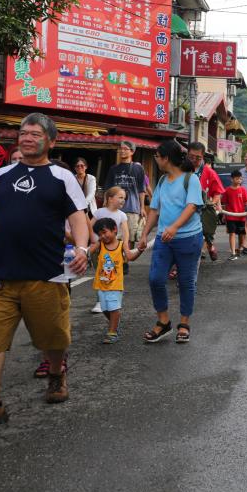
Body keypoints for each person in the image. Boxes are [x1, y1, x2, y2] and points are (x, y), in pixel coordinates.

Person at [0, 113, 89, 434]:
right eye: (23, 132)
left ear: (51, 141)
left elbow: (78, 218)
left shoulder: (61, 177)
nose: (26, 138)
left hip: (46, 274)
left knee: (53, 336)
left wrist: (82, 248)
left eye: (35, 134)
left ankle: (56, 373)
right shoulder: (1, 176)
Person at [139, 140, 204, 344]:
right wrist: (144, 234)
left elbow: (192, 206)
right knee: (156, 279)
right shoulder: (161, 181)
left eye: (157, 156)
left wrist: (175, 227)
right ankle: (164, 321)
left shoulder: (191, 179)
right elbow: (154, 210)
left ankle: (184, 324)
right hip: (163, 239)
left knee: (186, 281)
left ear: (166, 158)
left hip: (189, 238)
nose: (156, 160)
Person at [89, 216, 142, 344]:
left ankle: (112, 332)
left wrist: (140, 250)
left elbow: (130, 257)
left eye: (104, 232)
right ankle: (115, 322)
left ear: (114, 230)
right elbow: (88, 252)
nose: (103, 236)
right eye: (99, 234)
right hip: (101, 284)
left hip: (115, 284)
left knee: (113, 309)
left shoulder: (121, 245)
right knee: (105, 309)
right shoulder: (100, 244)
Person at [89, 186, 129, 314]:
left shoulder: (122, 215)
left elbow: (126, 232)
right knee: (100, 274)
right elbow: (89, 226)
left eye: (124, 198)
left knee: (109, 274)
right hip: (98, 248)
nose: (123, 200)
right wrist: (92, 241)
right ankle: (100, 300)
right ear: (110, 198)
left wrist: (125, 247)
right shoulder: (99, 212)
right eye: (120, 197)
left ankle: (109, 298)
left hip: (113, 250)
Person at [186, 142, 225, 262]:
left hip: (203, 206)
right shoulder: (181, 169)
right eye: (191, 157)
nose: (194, 160)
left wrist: (212, 203)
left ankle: (209, 244)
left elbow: (218, 192)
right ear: (187, 154)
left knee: (207, 228)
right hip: (184, 206)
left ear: (203, 156)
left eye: (198, 158)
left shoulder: (209, 172)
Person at [103, 140, 147, 245]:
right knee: (114, 237)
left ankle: (127, 256)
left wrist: (142, 207)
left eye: (125, 149)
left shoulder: (138, 169)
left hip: (132, 208)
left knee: (130, 238)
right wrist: (106, 202)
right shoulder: (113, 169)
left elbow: (141, 190)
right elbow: (108, 189)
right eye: (121, 149)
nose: (122, 151)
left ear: (132, 152)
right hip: (115, 208)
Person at [222, 170, 247, 260]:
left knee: (241, 234)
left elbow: (246, 201)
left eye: (240, 179)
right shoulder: (227, 190)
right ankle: (233, 252)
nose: (239, 180)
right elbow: (225, 204)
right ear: (232, 179)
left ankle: (240, 248)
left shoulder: (243, 189)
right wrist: (224, 215)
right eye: (237, 179)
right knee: (232, 233)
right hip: (230, 216)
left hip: (241, 216)